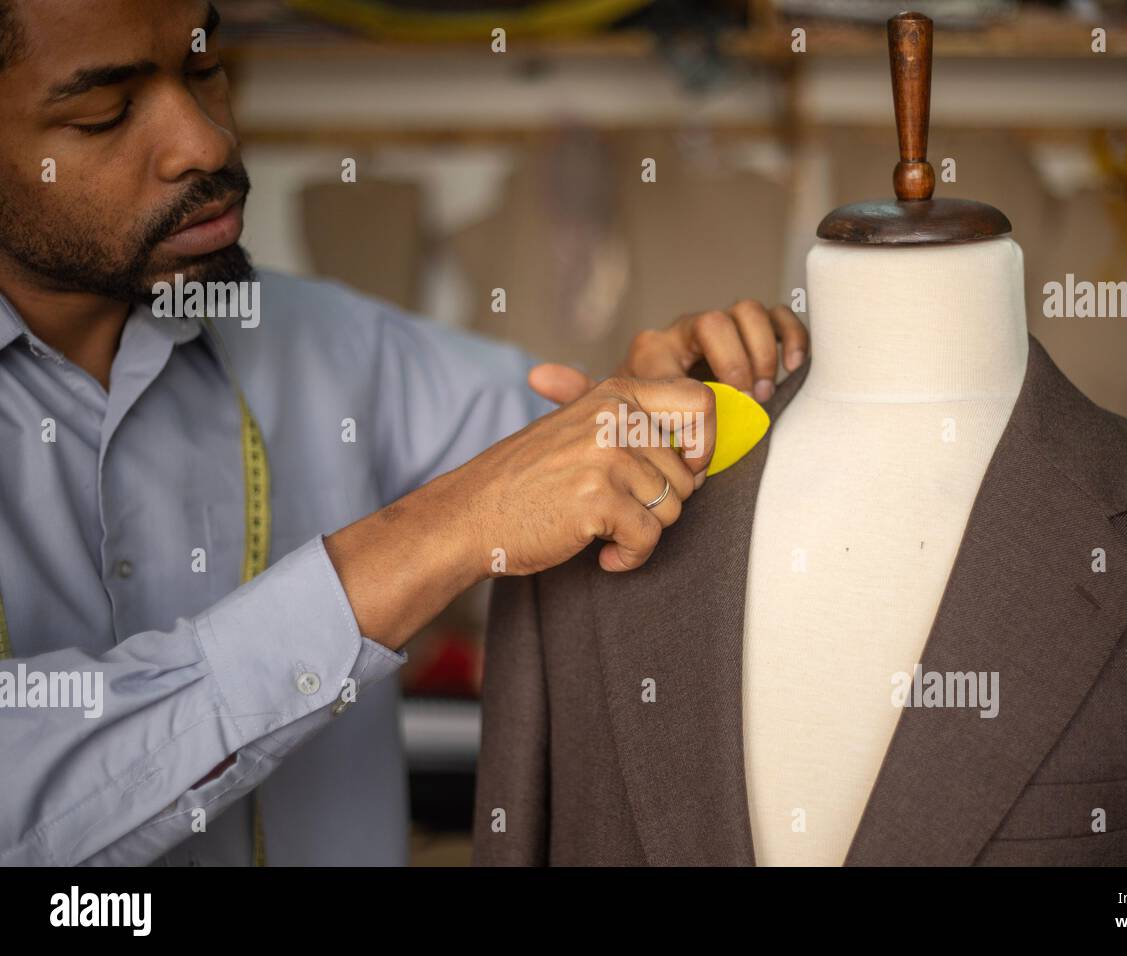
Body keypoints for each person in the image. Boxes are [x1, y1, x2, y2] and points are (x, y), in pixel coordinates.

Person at [0, 0, 809, 865]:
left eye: (204, 70)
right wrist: (447, 529)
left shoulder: (329, 343)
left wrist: (653, 398)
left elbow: (567, 452)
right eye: (103, 113)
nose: (202, 142)